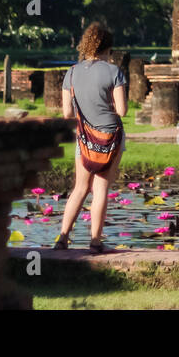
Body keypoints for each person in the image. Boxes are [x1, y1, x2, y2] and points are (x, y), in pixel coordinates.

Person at [53, 23, 127, 253]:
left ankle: (63, 237)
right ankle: (95, 241)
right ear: (108, 48)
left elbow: (66, 113)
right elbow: (122, 111)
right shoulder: (114, 72)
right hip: (111, 137)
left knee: (80, 188)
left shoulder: (72, 72)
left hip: (84, 137)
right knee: (101, 188)